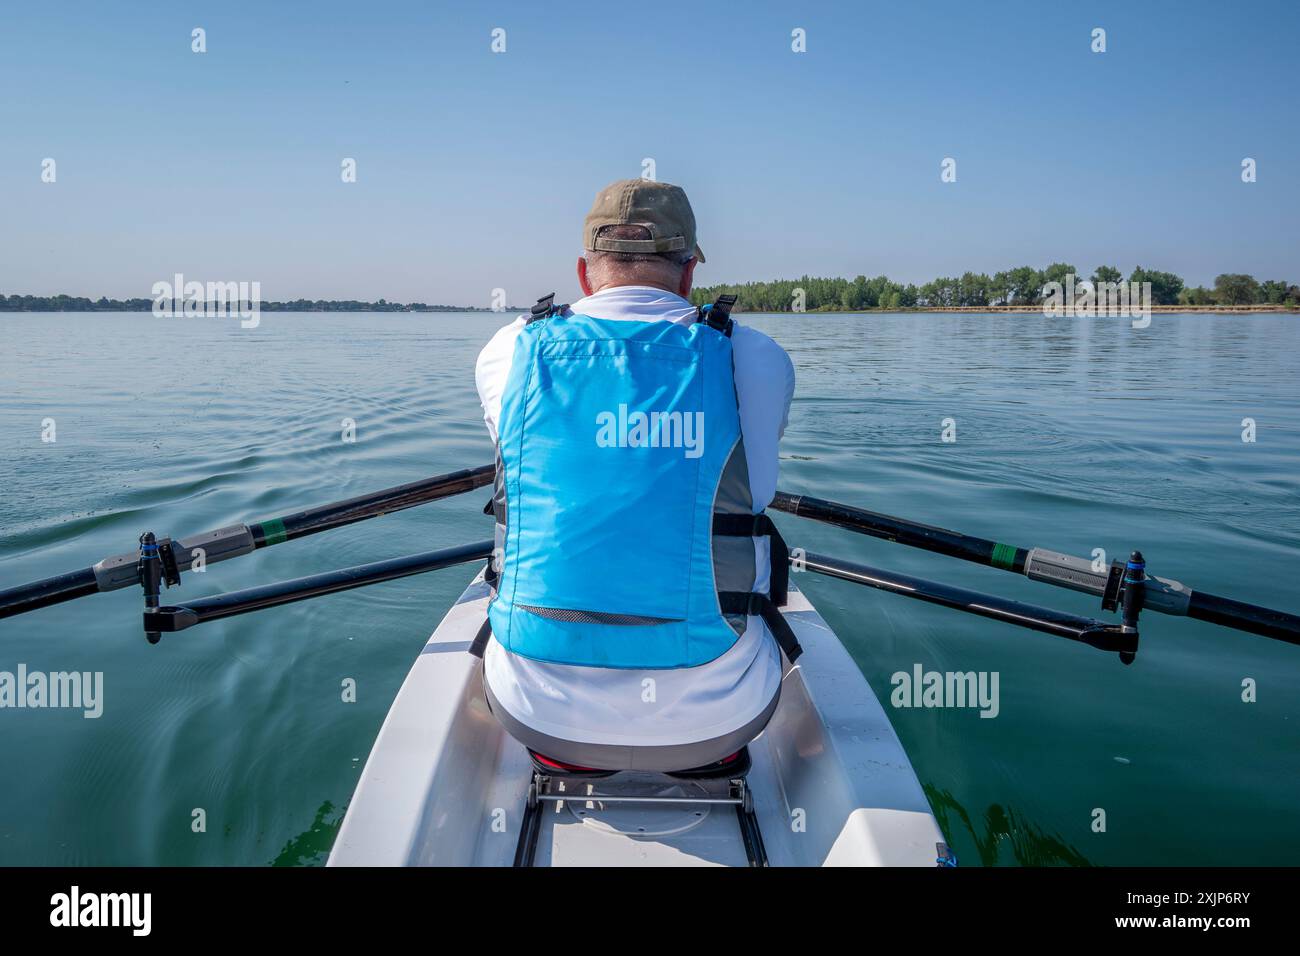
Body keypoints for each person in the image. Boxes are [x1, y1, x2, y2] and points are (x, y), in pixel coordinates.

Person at [473, 178, 797, 772]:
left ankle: (569, 758)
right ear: (688, 273)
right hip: (714, 722)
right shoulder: (758, 357)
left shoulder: (505, 350)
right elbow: (759, 482)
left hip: (538, 716)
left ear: (583, 271)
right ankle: (700, 756)